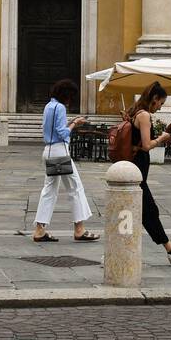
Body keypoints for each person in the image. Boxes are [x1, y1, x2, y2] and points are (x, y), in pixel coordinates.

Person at [128, 81, 171, 264]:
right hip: (137, 172)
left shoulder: (134, 111)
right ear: (154, 99)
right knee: (149, 211)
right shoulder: (144, 115)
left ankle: (170, 249)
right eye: (161, 103)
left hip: (133, 168)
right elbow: (147, 146)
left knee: (137, 211)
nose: (160, 107)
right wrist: (162, 138)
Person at [33, 79, 98, 243]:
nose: (71, 101)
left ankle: (40, 229)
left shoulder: (49, 106)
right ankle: (79, 229)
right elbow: (62, 133)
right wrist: (75, 123)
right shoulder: (60, 107)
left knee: (49, 190)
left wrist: (70, 121)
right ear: (67, 95)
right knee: (75, 187)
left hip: (48, 150)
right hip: (60, 151)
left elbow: (53, 128)